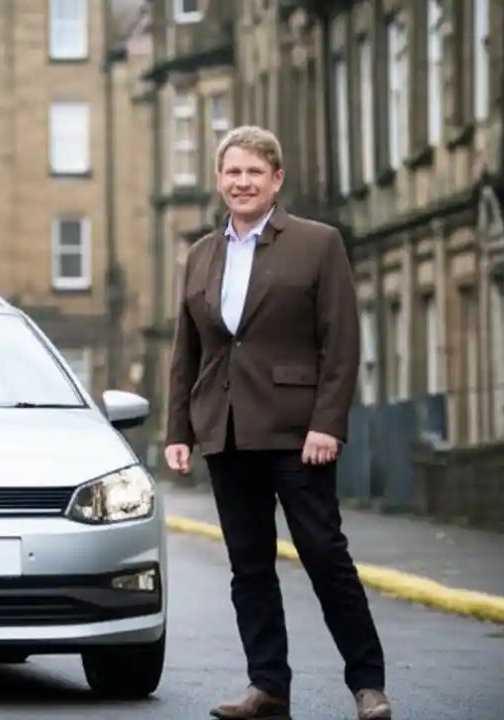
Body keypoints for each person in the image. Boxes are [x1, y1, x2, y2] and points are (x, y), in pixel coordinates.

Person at [163, 126, 391, 720]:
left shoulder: (318, 244)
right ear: (219, 180)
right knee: (249, 565)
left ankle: (368, 685)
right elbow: (187, 350)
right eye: (233, 172)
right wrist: (178, 431)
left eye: (254, 173)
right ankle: (267, 686)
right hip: (227, 430)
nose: (242, 183)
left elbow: (341, 343)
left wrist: (328, 424)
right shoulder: (200, 255)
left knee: (324, 554)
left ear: (276, 180)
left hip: (297, 433)